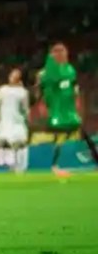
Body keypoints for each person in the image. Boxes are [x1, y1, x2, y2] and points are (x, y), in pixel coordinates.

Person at [37, 42, 97, 177]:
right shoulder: (48, 72)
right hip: (58, 111)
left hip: (69, 111)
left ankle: (58, 165)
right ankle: (55, 165)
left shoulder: (70, 70)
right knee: (62, 136)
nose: (62, 54)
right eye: (58, 52)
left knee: (77, 133)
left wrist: (76, 100)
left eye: (63, 52)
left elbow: (74, 87)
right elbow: (45, 91)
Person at [0, 68, 30, 174]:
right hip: (5, 122)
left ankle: (22, 168)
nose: (13, 77)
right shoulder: (2, 90)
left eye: (16, 76)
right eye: (12, 75)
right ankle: (11, 166)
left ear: (19, 79)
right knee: (4, 145)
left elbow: (25, 109)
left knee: (20, 144)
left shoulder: (23, 92)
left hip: (18, 122)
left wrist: (26, 119)